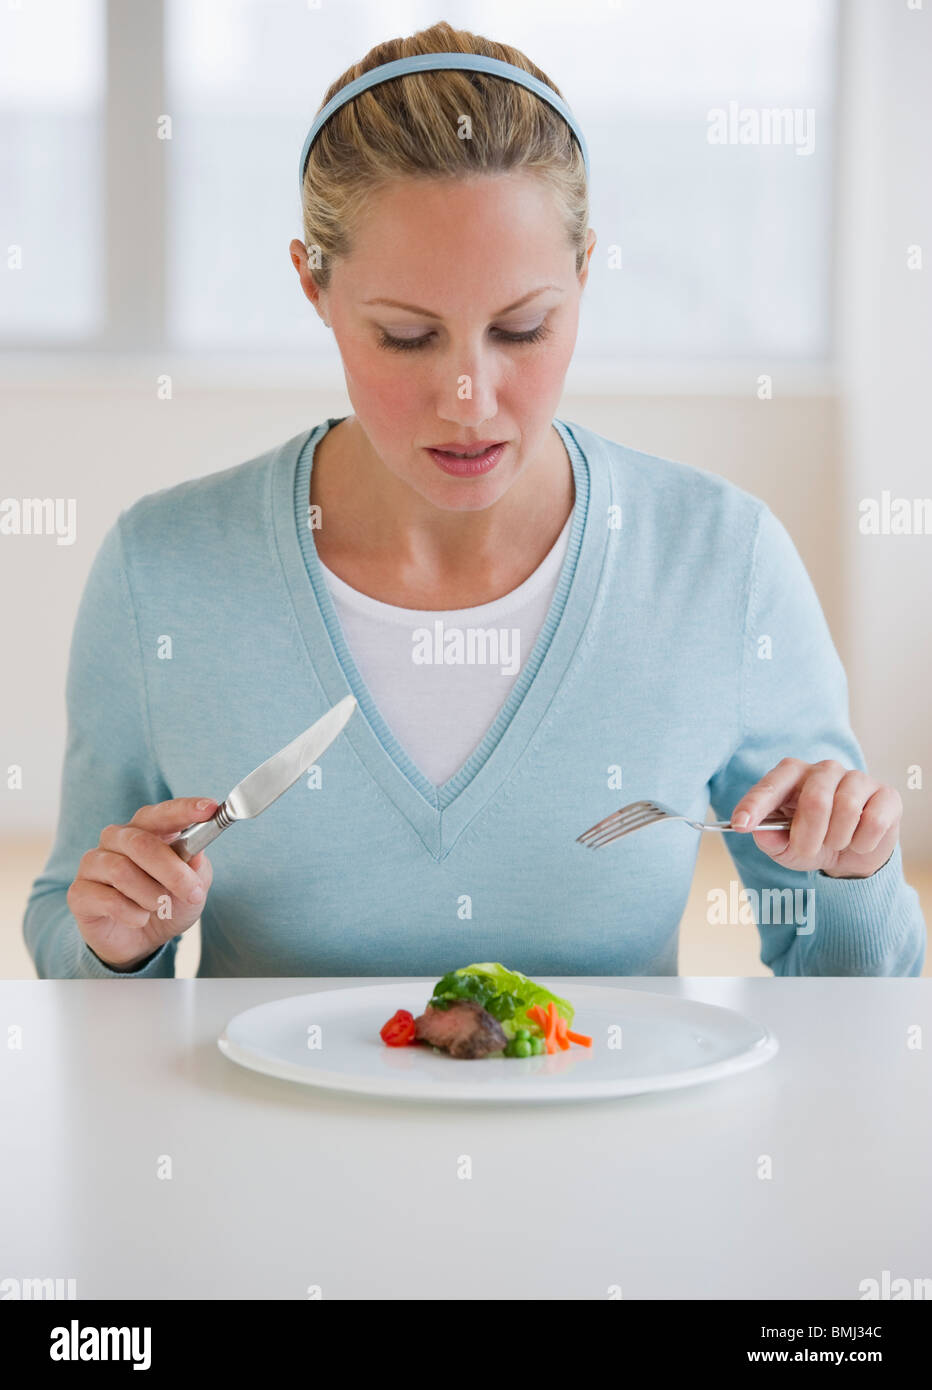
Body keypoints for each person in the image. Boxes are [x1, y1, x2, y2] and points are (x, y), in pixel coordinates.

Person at [23, 22, 925, 979]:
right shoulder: (161, 572)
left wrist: (851, 873)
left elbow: (853, 1006)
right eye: (408, 336)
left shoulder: (720, 563)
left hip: (616, 1132)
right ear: (313, 287)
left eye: (524, 328)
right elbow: (65, 927)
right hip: (272, 1131)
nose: (471, 399)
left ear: (583, 275)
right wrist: (112, 943)